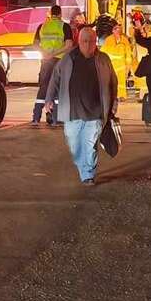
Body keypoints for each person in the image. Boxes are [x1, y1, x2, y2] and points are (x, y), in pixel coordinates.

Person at [42, 24, 117, 185]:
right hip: (72, 112)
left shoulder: (103, 59)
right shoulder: (68, 58)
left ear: (96, 42)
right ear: (79, 41)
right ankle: (83, 167)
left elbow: (113, 82)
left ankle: (87, 174)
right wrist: (48, 99)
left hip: (95, 112)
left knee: (89, 145)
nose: (88, 45)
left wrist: (114, 102)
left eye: (91, 41)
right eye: (84, 41)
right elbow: (55, 78)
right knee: (75, 145)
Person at [30, 4, 69, 125]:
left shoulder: (42, 26)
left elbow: (35, 44)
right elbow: (69, 45)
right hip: (59, 61)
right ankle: (56, 119)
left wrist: (45, 53)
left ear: (51, 14)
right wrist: (55, 53)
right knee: (57, 89)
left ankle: (36, 118)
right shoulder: (64, 26)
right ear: (60, 14)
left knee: (43, 88)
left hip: (45, 61)